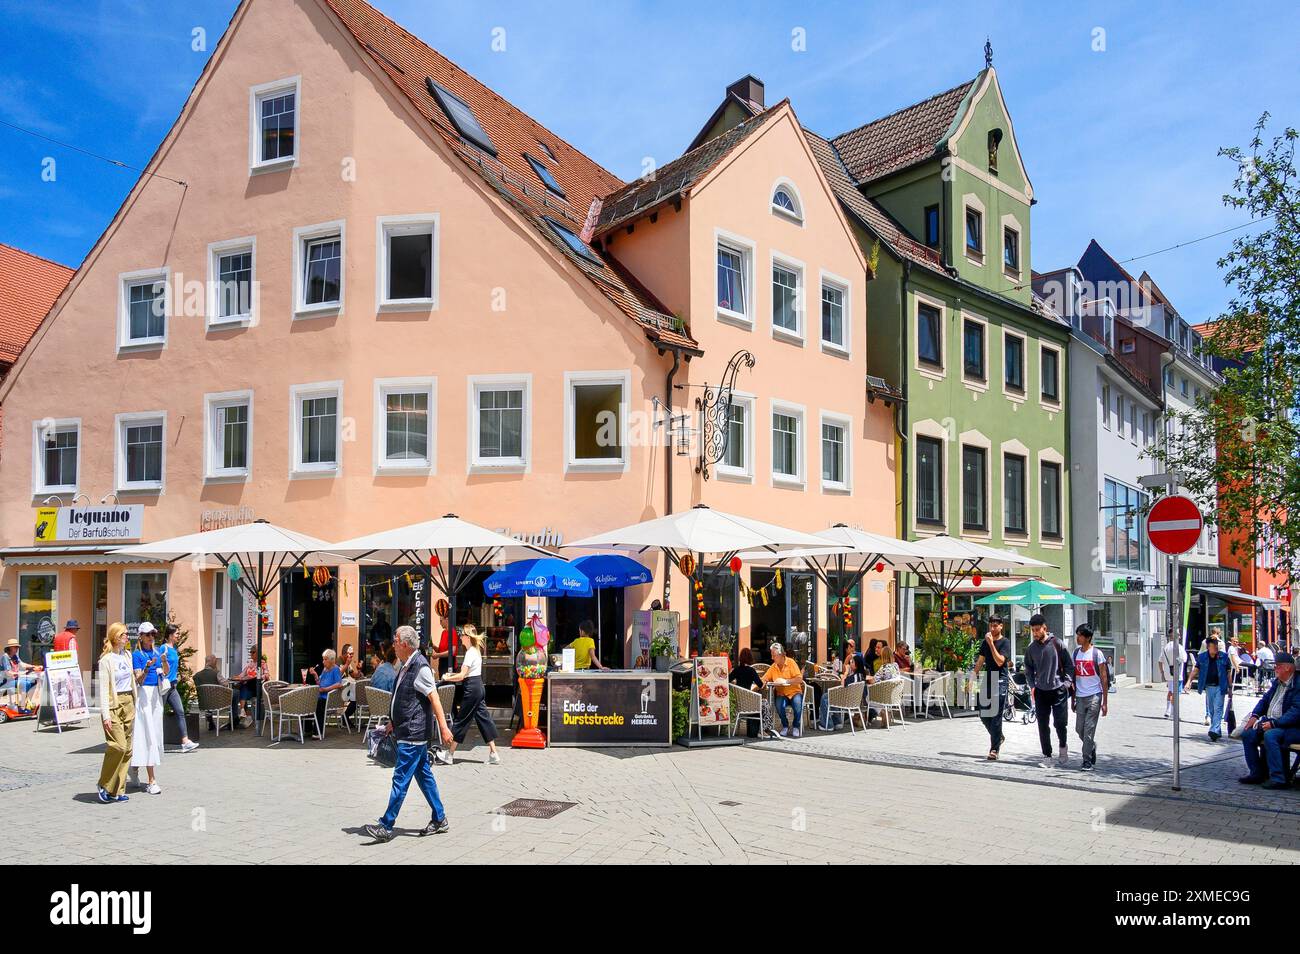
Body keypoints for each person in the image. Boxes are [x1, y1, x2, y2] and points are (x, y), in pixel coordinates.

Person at [364, 625, 455, 842]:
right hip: (406, 729)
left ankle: (386, 825)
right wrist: (392, 723)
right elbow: (404, 698)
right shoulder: (407, 665)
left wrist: (443, 727)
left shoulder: (420, 667)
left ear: (404, 644)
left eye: (395, 641)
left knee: (400, 779)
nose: (393, 644)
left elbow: (434, 698)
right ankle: (440, 818)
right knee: (424, 776)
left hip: (413, 734)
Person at [439, 625, 501, 765]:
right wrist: (451, 675)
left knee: (462, 720)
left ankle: (449, 754)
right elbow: (465, 674)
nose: (460, 637)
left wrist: (447, 678)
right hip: (478, 686)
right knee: (483, 719)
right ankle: (494, 753)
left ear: (467, 637)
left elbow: (462, 676)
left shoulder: (470, 653)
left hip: (472, 689)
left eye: (461, 634)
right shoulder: (475, 651)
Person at [1238, 651, 1300, 789]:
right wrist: (1255, 716)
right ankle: (1257, 773)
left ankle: (1278, 778)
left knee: (1271, 735)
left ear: (1287, 668)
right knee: (1248, 733)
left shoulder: (1297, 685)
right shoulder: (1277, 683)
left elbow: (1296, 711)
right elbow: (1265, 700)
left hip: (1293, 727)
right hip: (1274, 723)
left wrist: (1274, 723)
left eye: (1277, 666)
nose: (1274, 668)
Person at [1023, 613, 1073, 768]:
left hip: (1058, 690)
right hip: (1040, 691)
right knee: (1042, 725)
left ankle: (1063, 746)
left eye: (1037, 629)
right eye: (1033, 630)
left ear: (1045, 628)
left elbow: (1070, 666)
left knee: (1060, 723)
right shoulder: (1031, 649)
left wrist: (1066, 683)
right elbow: (1028, 669)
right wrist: (1032, 685)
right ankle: (1047, 756)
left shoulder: (1058, 644)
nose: (1035, 633)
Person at [96, 623, 136, 804]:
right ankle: (104, 784)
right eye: (123, 635)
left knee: (127, 750)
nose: (127, 637)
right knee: (117, 746)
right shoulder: (106, 660)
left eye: (127, 634)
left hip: (129, 702)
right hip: (114, 704)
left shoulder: (127, 655)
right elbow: (103, 690)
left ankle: (117, 791)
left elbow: (132, 681)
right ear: (115, 637)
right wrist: (105, 715)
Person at [130, 622, 167, 795]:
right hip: (144, 695)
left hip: (156, 696)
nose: (151, 637)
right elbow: (139, 680)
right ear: (141, 636)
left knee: (153, 735)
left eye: (153, 633)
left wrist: (164, 662)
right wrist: (147, 667)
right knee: (148, 736)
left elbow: (164, 672)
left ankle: (134, 767)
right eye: (148, 634)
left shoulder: (157, 652)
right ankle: (152, 780)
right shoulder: (137, 655)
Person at [973, 616, 1011, 760]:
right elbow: (981, 661)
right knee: (983, 713)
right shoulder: (985, 642)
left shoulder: (1005, 642)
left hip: (1000, 680)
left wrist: (991, 644)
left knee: (995, 715)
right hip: (988, 679)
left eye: (995, 625)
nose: (993, 628)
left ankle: (994, 749)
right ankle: (998, 736)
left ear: (1001, 626)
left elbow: (1000, 661)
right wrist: (972, 676)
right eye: (991, 625)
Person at [1072, 624, 1108, 770]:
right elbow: (1074, 677)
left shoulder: (1097, 654)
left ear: (1088, 637)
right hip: (1080, 696)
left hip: (1094, 696)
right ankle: (1091, 746)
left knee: (1088, 729)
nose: (1077, 637)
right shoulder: (1075, 653)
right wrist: (1073, 698)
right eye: (1077, 634)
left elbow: (1104, 678)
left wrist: (1105, 702)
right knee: (1079, 729)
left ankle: (1086, 761)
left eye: (1080, 635)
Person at [159, 624, 198, 752]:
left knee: (180, 712)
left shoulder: (174, 649)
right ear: (170, 635)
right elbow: (159, 666)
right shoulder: (163, 648)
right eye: (176, 634)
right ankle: (154, 742)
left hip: (173, 686)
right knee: (158, 714)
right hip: (165, 687)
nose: (178, 636)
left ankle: (185, 741)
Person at [1187, 635, 1233, 741]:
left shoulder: (1224, 656)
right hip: (1208, 687)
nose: (1216, 647)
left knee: (1218, 708)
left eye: (1217, 645)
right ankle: (1217, 729)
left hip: (1220, 687)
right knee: (1212, 710)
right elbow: (1196, 670)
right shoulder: (1202, 657)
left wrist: (1230, 688)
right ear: (1208, 646)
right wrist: (1189, 681)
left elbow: (1228, 673)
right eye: (1213, 645)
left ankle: (1214, 729)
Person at [760, 642, 804, 737]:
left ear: (781, 655)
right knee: (779, 705)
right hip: (782, 694)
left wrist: (786, 681)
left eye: (774, 655)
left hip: (795, 692)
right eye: (772, 655)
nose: (772, 658)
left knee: (797, 704)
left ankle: (796, 726)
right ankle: (785, 725)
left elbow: (799, 679)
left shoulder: (791, 663)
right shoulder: (773, 667)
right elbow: (764, 678)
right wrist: (758, 684)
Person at [1, 638, 43, 710]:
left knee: (34, 681)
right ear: (10, 648)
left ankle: (26, 702)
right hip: (5, 682)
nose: (17, 648)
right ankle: (22, 706)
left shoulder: (15, 656)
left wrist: (34, 667)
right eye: (15, 647)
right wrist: (19, 673)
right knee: (25, 684)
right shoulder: (5, 657)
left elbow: (22, 665)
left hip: (13, 679)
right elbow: (8, 673)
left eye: (17, 647)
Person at [1158, 631, 1189, 719]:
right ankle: (1172, 712)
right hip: (1177, 674)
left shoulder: (1165, 647)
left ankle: (1168, 710)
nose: (1179, 636)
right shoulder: (1179, 647)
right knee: (1176, 693)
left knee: (1170, 692)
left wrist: (1162, 672)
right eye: (1179, 635)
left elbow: (1160, 661)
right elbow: (1185, 659)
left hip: (1168, 673)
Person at [315, 649, 342, 738]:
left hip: (329, 699)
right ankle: (307, 729)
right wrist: (315, 675)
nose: (323, 661)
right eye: (323, 659)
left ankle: (318, 732)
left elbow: (339, 684)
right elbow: (320, 683)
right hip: (321, 695)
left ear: (331, 660)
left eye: (325, 659)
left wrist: (326, 689)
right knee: (308, 701)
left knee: (319, 703)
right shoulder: (325, 669)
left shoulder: (336, 669)